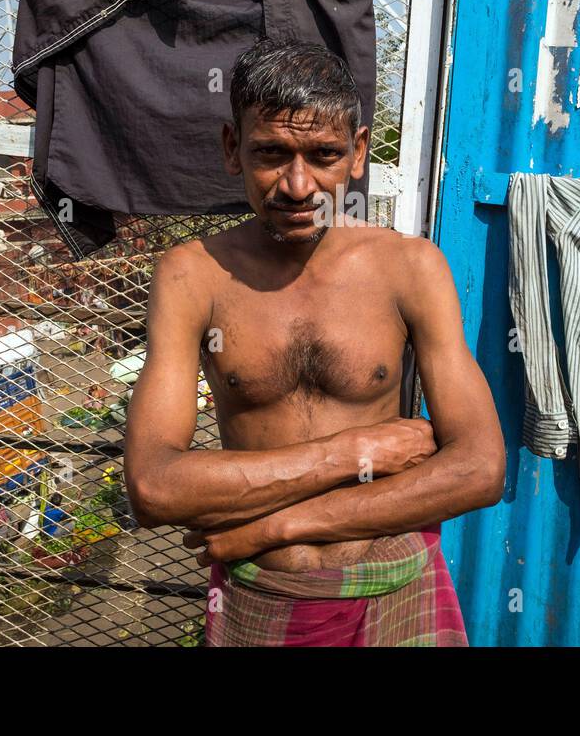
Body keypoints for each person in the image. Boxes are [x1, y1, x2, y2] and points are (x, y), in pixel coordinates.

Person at [123, 38, 505, 646]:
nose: (298, 185)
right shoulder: (193, 276)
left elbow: (480, 469)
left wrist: (279, 525)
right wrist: (357, 451)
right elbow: (153, 486)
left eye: (323, 155)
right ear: (232, 150)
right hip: (261, 595)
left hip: (398, 582)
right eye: (271, 153)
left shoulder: (410, 267)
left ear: (357, 154)